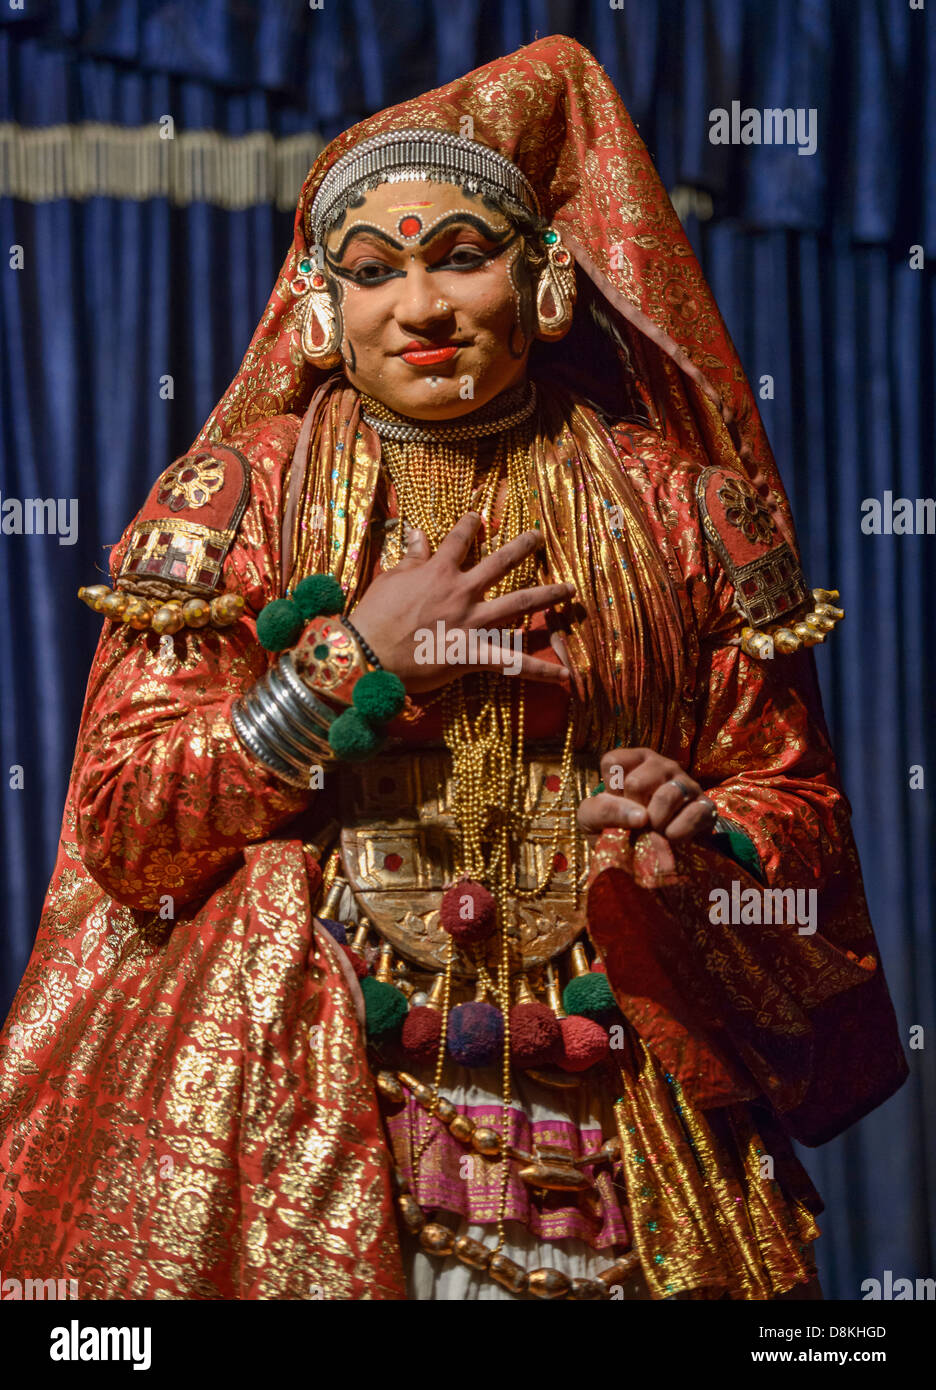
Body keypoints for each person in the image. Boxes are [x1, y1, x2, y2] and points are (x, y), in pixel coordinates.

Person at [0, 36, 907, 1301]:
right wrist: (346, 663)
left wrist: (701, 838)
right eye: (374, 274)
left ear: (544, 283)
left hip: (623, 1098)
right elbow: (127, 826)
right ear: (321, 308)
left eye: (461, 257)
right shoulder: (235, 503)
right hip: (313, 1098)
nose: (418, 308)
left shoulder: (686, 512)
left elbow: (795, 813)